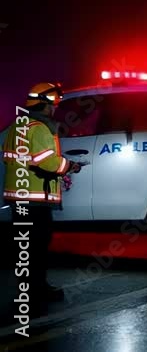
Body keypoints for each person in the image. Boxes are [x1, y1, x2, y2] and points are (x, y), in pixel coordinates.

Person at [3, 83, 73, 304]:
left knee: (26, 247)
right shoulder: (41, 128)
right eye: (52, 105)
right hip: (35, 200)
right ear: (44, 104)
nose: (54, 109)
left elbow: (9, 157)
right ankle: (38, 291)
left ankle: (30, 288)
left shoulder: (18, 126)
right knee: (38, 246)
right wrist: (70, 166)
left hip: (18, 198)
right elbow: (48, 162)